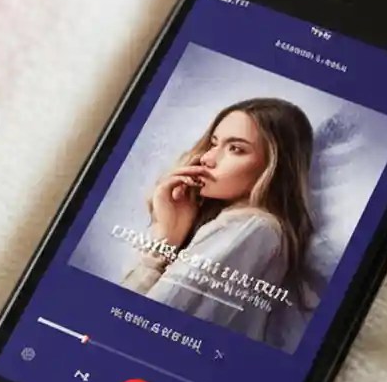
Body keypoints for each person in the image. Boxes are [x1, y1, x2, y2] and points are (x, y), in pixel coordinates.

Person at [122, 98, 315, 346]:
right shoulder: (241, 226)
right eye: (214, 143)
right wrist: (168, 237)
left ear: (274, 167)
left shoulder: (249, 228)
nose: (208, 158)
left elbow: (139, 326)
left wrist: (159, 247)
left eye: (235, 149)